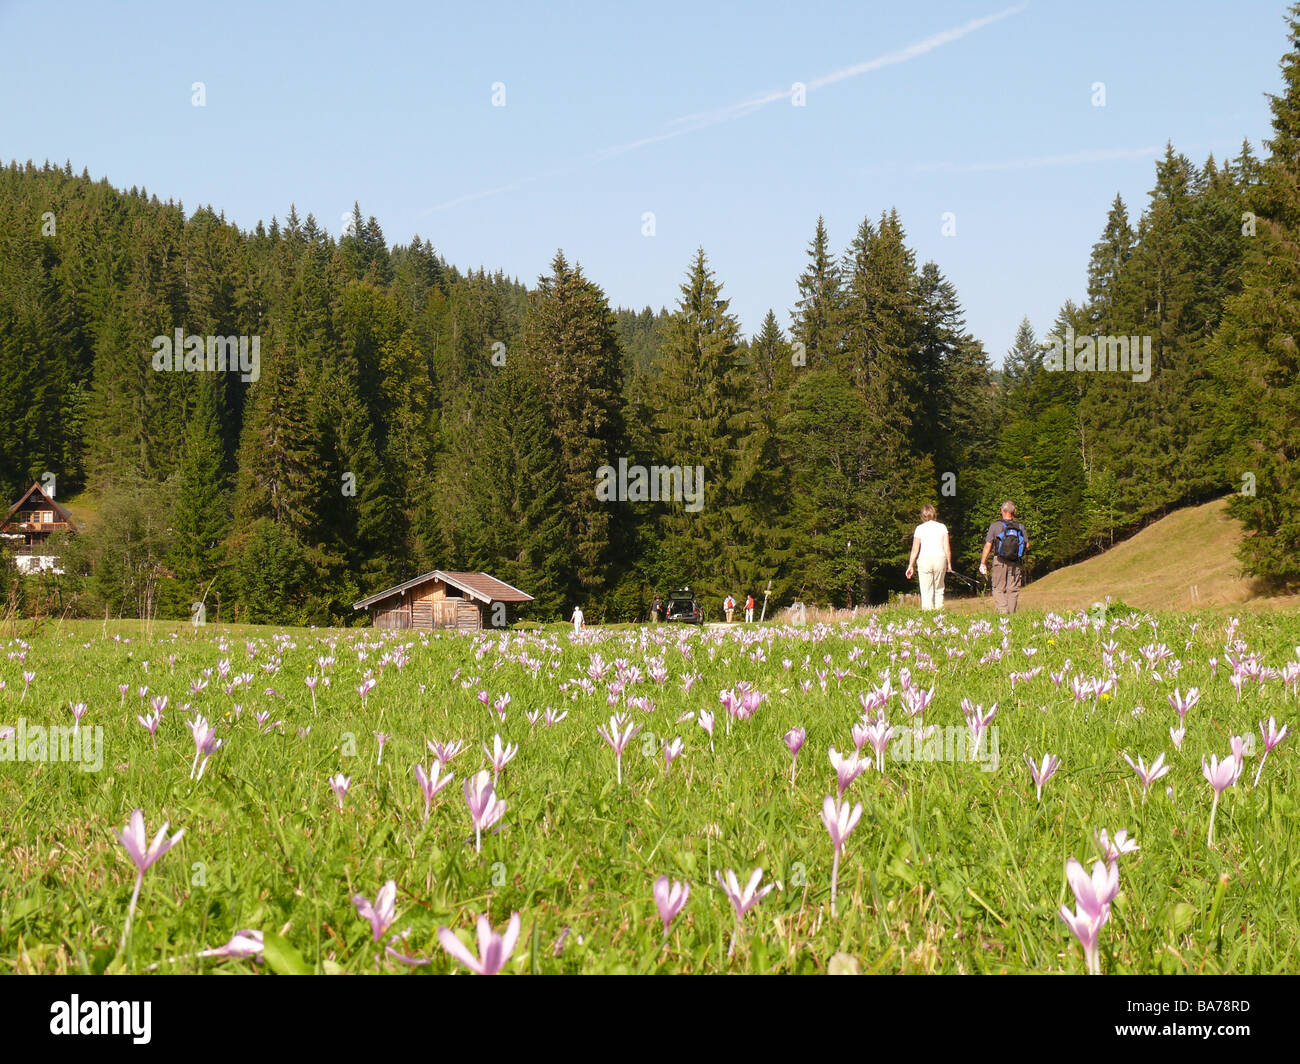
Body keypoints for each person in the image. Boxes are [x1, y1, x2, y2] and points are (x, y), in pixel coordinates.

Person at [979, 501, 1029, 614]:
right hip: (1015, 562)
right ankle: (1011, 614)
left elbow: (988, 545)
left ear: (1002, 510)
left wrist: (983, 562)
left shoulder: (995, 526)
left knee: (998, 588)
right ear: (1014, 512)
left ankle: (1003, 613)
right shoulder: (1020, 527)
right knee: (1013, 589)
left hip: (999, 561)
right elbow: (1027, 545)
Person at [905, 503, 953, 610]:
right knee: (939, 589)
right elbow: (947, 547)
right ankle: (939, 613)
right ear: (934, 514)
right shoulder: (942, 527)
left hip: (924, 559)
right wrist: (949, 563)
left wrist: (910, 565)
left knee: (926, 590)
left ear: (923, 515)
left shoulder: (919, 529)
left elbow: (915, 549)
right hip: (939, 558)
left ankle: (927, 613)